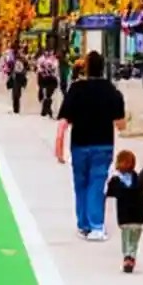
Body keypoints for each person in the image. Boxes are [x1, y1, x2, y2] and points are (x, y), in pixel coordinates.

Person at [55, 51, 127, 242]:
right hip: (103, 144)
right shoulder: (111, 90)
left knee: (81, 184)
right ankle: (96, 225)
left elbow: (63, 122)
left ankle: (83, 224)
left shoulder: (76, 89)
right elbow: (121, 124)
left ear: (86, 68)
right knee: (97, 183)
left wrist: (59, 146)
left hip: (79, 144)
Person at [106, 149, 143, 272]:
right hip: (128, 216)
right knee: (128, 237)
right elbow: (110, 191)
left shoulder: (136, 179)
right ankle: (128, 256)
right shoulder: (118, 180)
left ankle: (130, 256)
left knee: (132, 237)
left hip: (135, 216)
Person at [36, 49, 60, 118]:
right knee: (47, 95)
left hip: (51, 80)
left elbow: (56, 70)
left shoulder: (54, 60)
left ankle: (46, 110)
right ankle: (47, 110)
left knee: (48, 95)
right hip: (46, 79)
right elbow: (39, 69)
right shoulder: (42, 59)